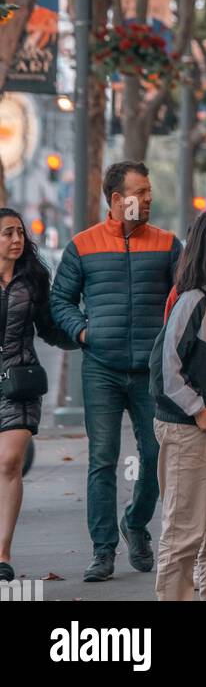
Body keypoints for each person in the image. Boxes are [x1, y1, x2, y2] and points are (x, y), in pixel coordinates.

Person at [50, 161, 180, 583]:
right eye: (139, 192)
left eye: (148, 191)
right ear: (116, 199)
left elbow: (183, 296)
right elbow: (60, 302)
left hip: (150, 371)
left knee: (155, 455)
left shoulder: (166, 244)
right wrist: (83, 332)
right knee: (102, 460)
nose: (147, 198)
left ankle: (136, 522)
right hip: (101, 368)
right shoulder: (82, 245)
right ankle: (102, 550)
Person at [149, 209, 206, 600]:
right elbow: (167, 367)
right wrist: (197, 409)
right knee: (184, 534)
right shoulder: (192, 301)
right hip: (188, 429)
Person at [0, 208, 78, 582]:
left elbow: (48, 327)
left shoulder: (32, 281)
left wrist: (83, 337)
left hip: (19, 383)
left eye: (19, 233)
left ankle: (2, 553)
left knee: (9, 461)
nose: (16, 240)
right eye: (7, 234)